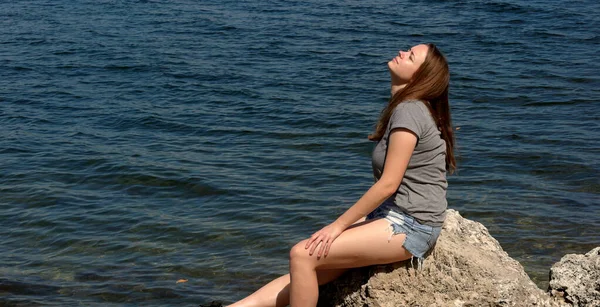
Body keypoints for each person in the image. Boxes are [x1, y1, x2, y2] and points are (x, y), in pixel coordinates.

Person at [226, 43, 456, 307]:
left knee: (303, 255)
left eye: (411, 56)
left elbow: (389, 184)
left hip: (411, 224)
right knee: (308, 267)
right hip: (391, 214)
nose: (402, 52)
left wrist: (337, 226)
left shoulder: (411, 110)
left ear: (420, 77)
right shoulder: (406, 107)